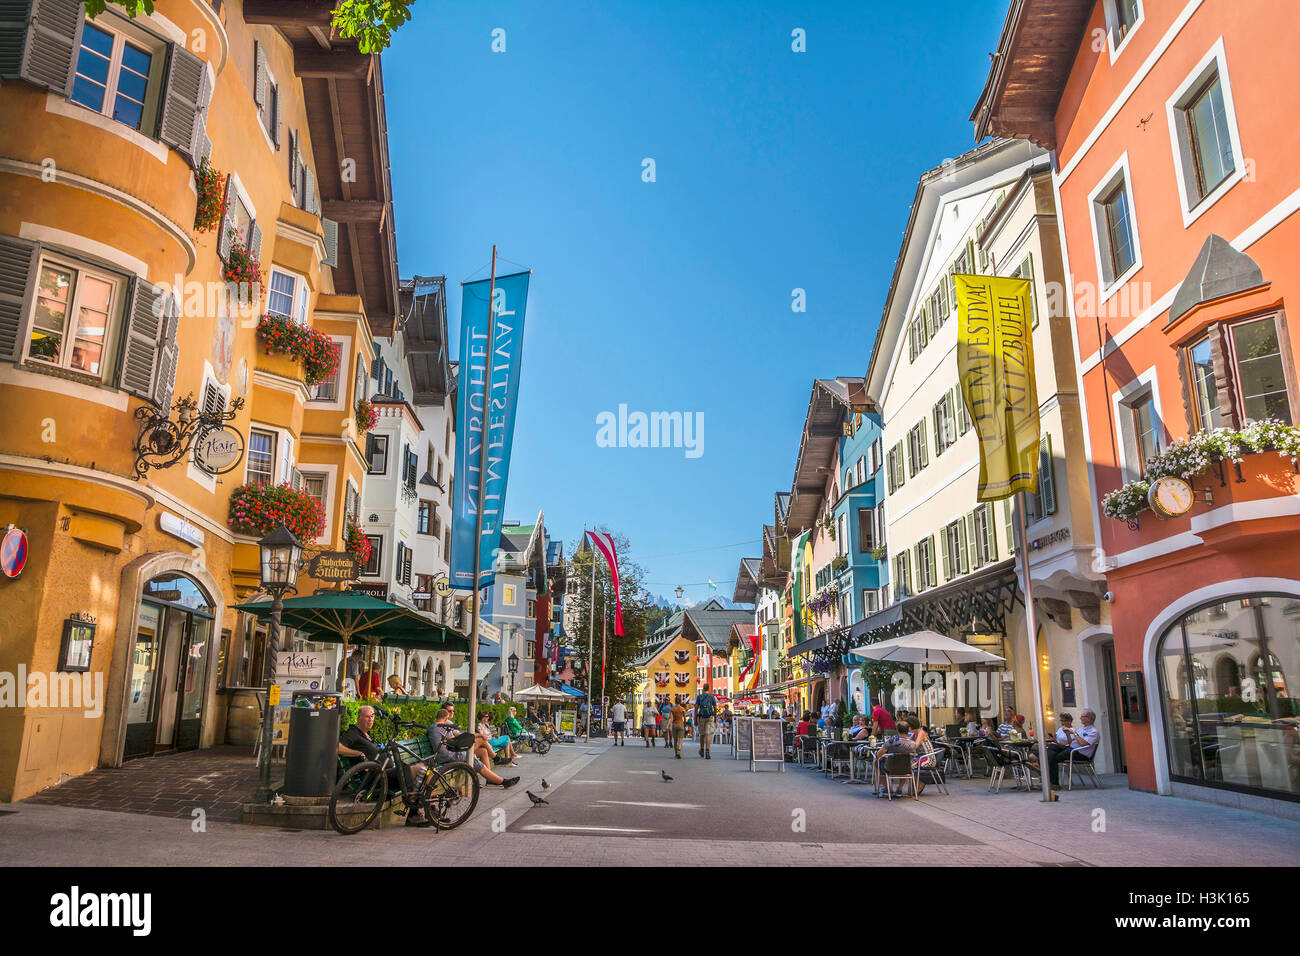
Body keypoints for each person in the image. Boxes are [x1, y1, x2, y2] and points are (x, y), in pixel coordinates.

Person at [337, 705, 432, 826]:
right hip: (375, 777)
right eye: (367, 717)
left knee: (424, 771)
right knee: (420, 770)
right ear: (359, 718)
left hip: (386, 773)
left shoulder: (367, 734)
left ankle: (420, 811)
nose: (371, 719)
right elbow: (338, 748)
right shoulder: (353, 733)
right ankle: (417, 812)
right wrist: (359, 753)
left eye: (372, 716)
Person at [427, 705, 519, 789]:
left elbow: (453, 738)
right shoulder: (441, 727)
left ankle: (491, 779)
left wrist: (472, 736)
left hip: (449, 752)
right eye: (450, 712)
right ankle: (502, 781)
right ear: (446, 717)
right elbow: (452, 740)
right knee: (474, 759)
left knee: (483, 751)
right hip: (449, 755)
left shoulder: (434, 726)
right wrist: (472, 737)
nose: (452, 713)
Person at [1047, 709, 1101, 787]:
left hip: (1080, 754)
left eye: (1082, 716)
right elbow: (1070, 742)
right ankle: (1045, 771)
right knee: (1052, 747)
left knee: (1053, 757)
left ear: (1089, 718)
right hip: (1071, 749)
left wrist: (1074, 733)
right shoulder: (1081, 729)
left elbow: (1083, 743)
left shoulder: (1093, 732)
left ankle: (1053, 782)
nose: (1080, 718)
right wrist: (1068, 734)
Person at [694, 687, 718, 759]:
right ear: (709, 689)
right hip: (709, 717)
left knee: (702, 734)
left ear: (703, 689)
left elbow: (696, 708)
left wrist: (695, 719)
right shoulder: (712, 697)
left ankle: (702, 750)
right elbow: (715, 707)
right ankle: (707, 752)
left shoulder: (699, 697)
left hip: (701, 717)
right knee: (708, 734)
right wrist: (715, 717)